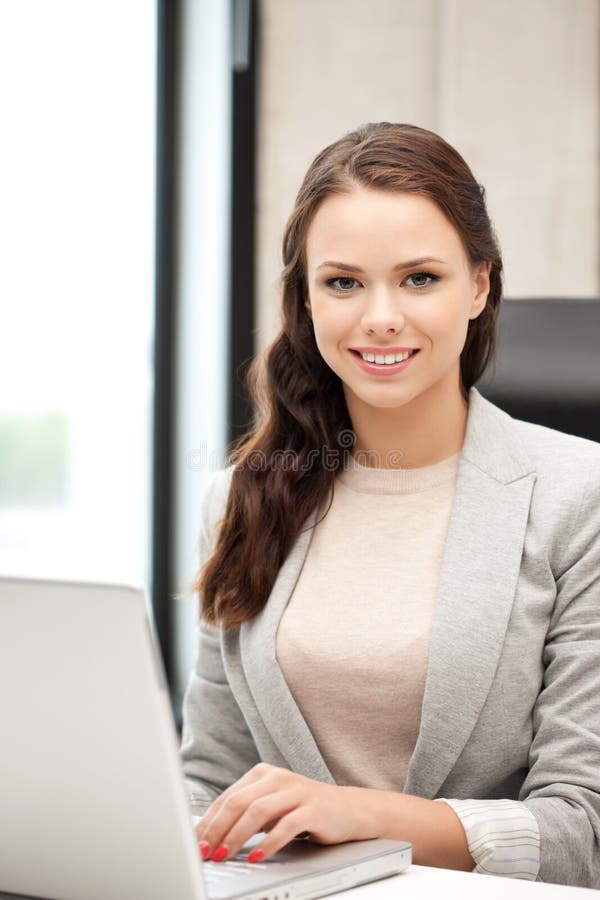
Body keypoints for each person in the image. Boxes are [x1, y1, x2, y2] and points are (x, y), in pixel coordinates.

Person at [179, 122, 600, 888]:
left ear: (478, 285)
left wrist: (360, 814)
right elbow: (209, 783)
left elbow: (583, 832)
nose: (379, 317)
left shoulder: (581, 499)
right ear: (305, 299)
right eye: (342, 282)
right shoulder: (240, 498)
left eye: (419, 279)